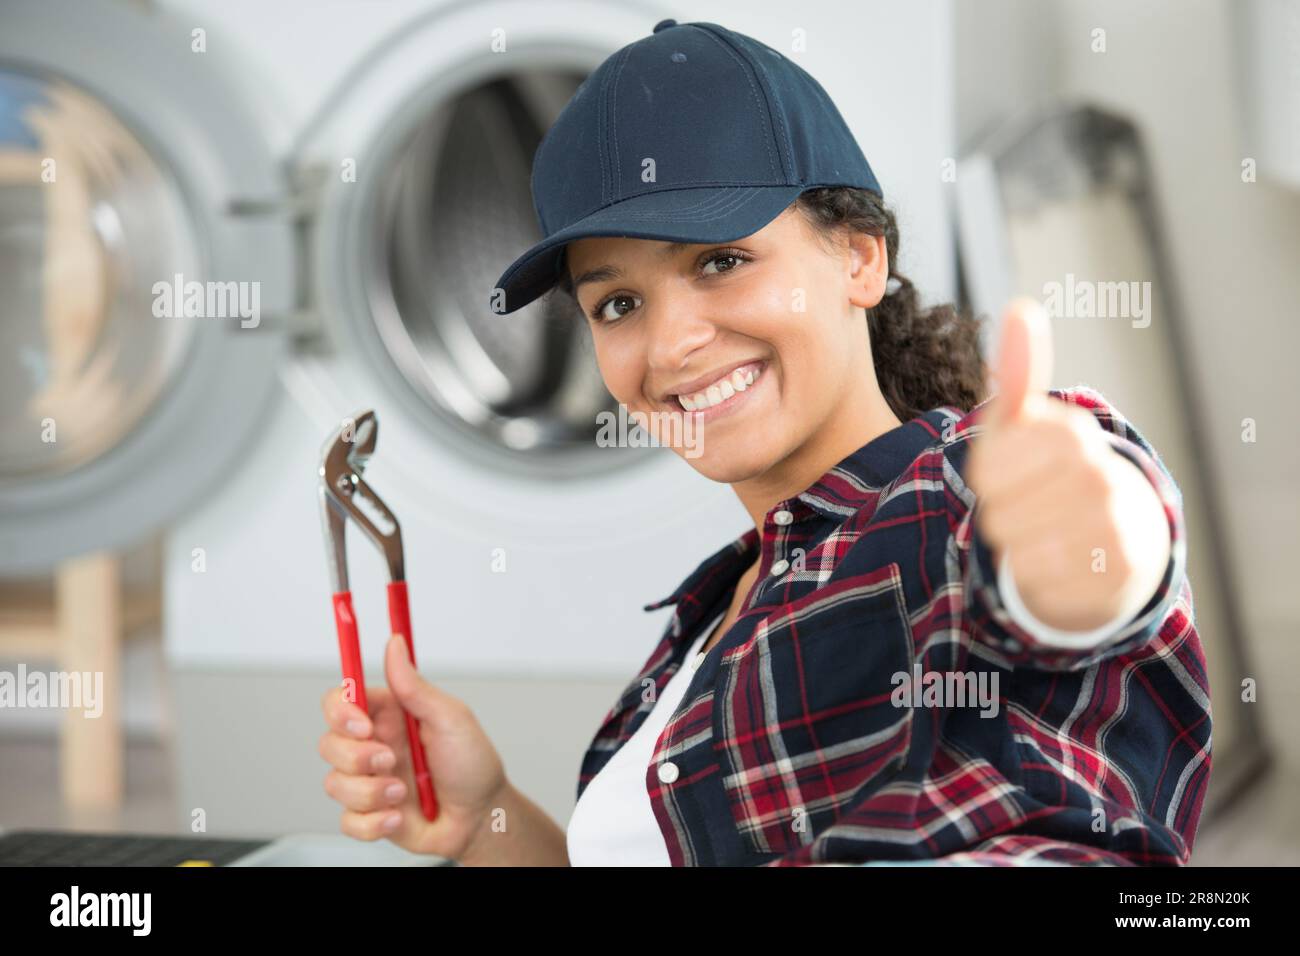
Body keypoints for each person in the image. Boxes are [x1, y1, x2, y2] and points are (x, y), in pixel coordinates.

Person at [317, 19, 1209, 866]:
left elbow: (1091, 558)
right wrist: (484, 818)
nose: (669, 347)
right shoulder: (708, 622)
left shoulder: (955, 490)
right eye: (618, 303)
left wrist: (1094, 547)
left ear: (859, 257)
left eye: (720, 261)